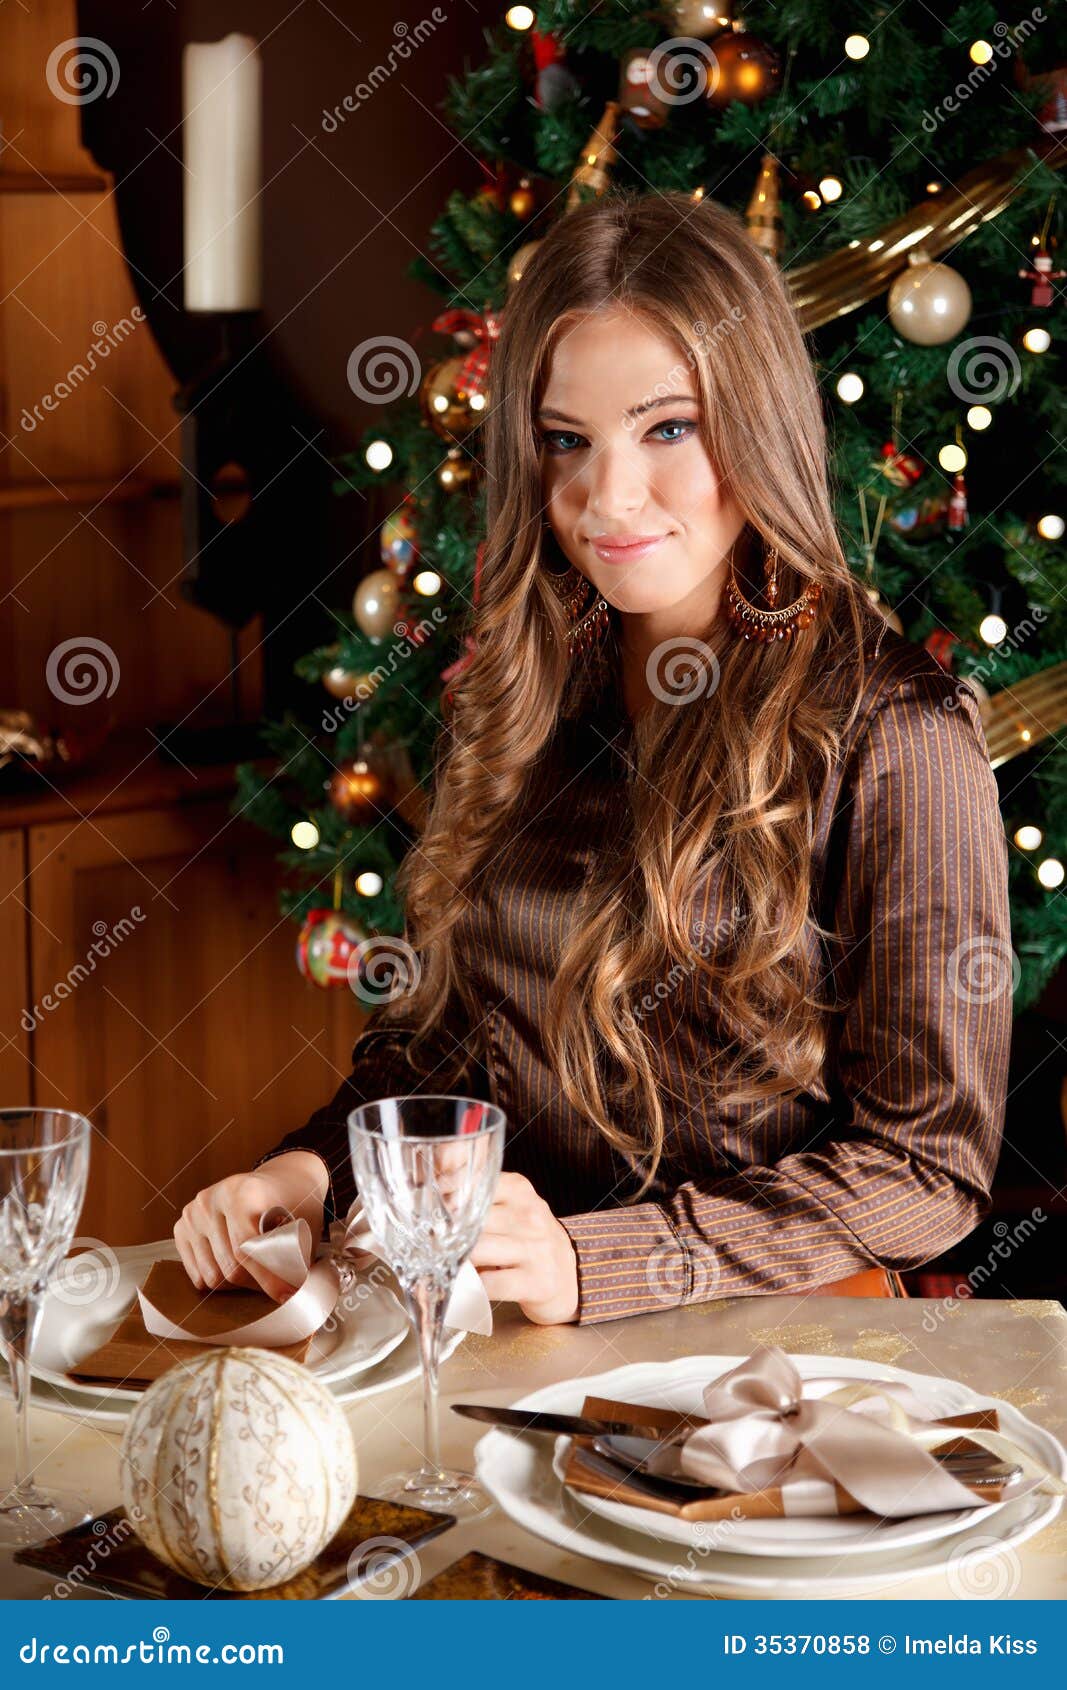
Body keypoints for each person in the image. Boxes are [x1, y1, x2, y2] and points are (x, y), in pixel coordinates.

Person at [175, 192, 1013, 1326]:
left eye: (668, 427)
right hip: (512, 1350)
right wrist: (305, 1174)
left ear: (754, 422)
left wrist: (604, 1263)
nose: (606, 497)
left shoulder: (896, 732)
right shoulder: (527, 691)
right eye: (567, 441)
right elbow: (448, 1049)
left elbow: (927, 1169)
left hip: (771, 1370)